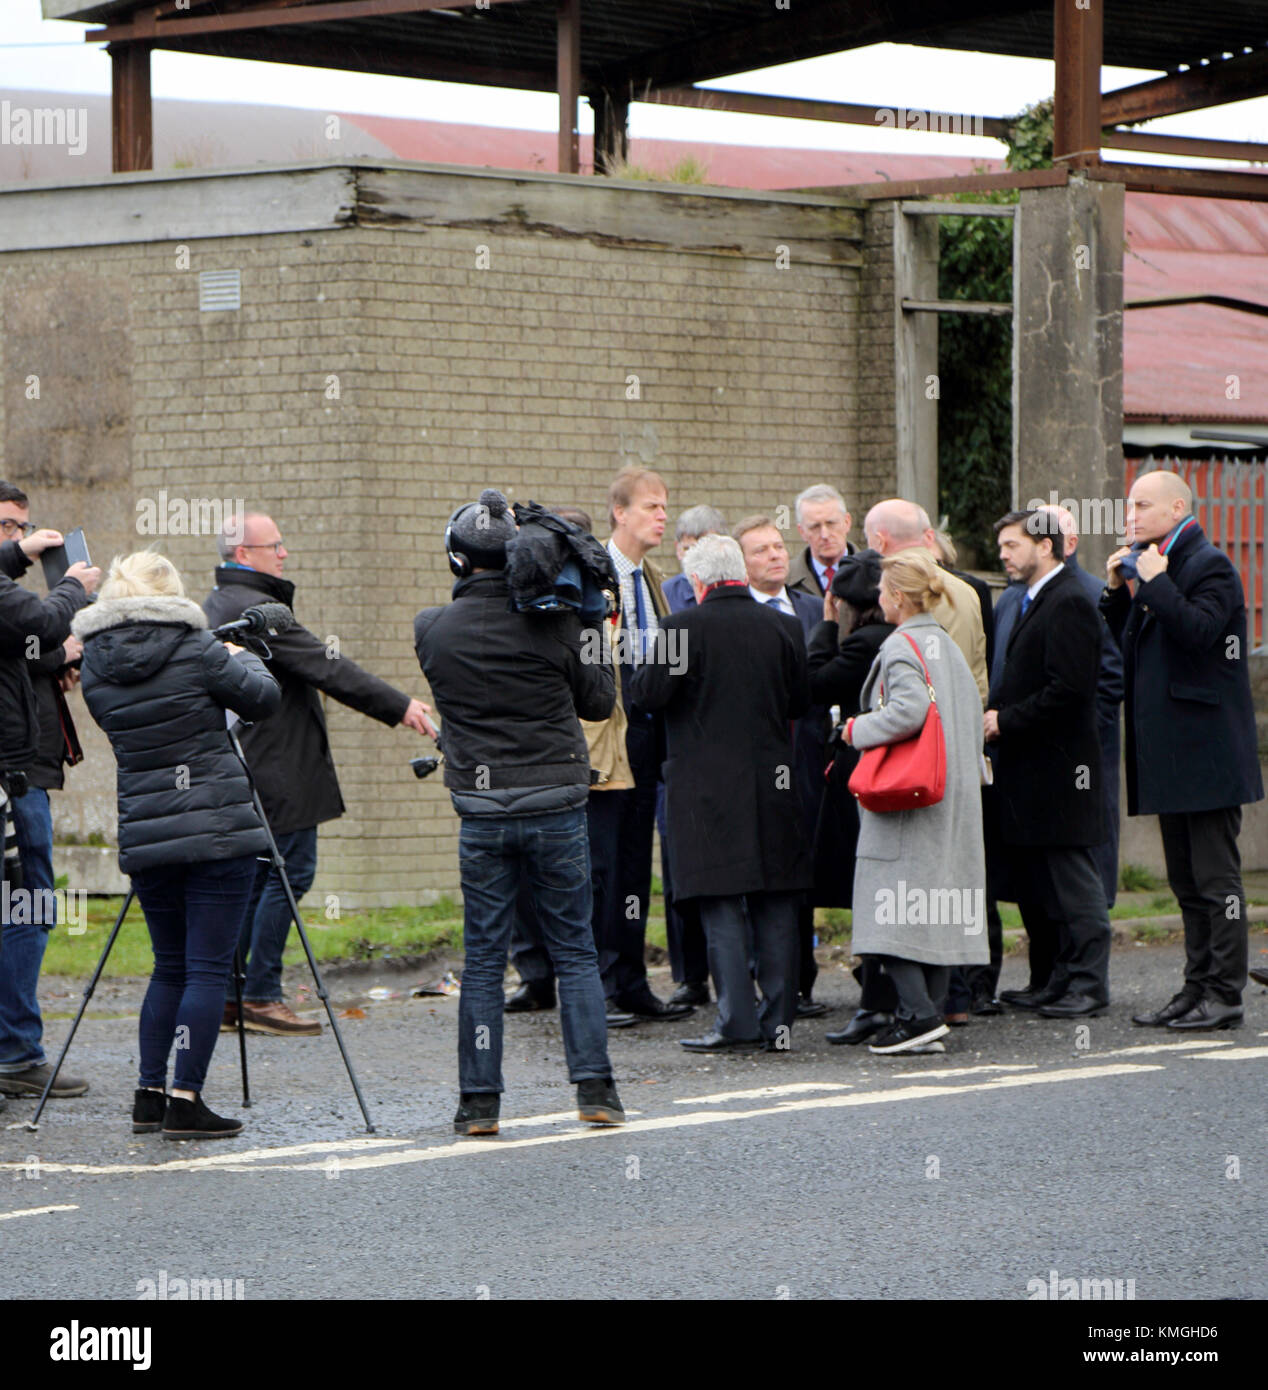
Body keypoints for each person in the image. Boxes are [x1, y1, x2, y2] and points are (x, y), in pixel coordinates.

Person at [415, 489, 623, 1134]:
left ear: (457, 561)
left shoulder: (431, 628)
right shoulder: (561, 623)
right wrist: (592, 626)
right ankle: (596, 1093)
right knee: (575, 952)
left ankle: (479, 1103)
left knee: (482, 959)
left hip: (481, 811)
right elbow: (597, 706)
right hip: (558, 803)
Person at [74, 550, 281, 1139]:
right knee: (209, 970)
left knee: (168, 967)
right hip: (217, 828)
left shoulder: (95, 663)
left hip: (147, 829)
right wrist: (248, 660)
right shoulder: (199, 648)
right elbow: (262, 703)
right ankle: (187, 1100)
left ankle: (149, 1094)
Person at [204, 512, 435, 1037]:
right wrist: (400, 706)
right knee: (290, 873)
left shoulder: (219, 602)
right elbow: (328, 667)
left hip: (248, 765)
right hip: (278, 769)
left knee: (258, 878)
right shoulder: (258, 610)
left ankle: (229, 994)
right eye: (275, 546)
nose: (283, 554)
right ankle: (259, 993)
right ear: (244, 554)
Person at [630, 535, 811, 1053]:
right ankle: (779, 1021)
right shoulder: (785, 626)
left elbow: (647, 694)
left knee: (722, 902)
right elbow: (799, 702)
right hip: (774, 784)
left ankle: (736, 1021)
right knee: (776, 899)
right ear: (740, 573)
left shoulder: (679, 628)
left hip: (706, 791)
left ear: (697, 582)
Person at [1103, 470, 1263, 1031]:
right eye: (1129, 505)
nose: (1131, 515)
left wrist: (1153, 583)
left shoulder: (1209, 564)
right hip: (1172, 755)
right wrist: (1121, 594)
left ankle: (1226, 994)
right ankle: (1195, 988)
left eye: (1142, 505)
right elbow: (1135, 649)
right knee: (1186, 881)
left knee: (1217, 881)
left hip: (1208, 754)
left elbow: (1198, 633)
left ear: (1177, 508)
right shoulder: (1151, 566)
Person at [843, 549, 988, 1055]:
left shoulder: (902, 645)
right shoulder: (944, 644)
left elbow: (907, 712)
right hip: (953, 797)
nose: (878, 598)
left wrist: (855, 728)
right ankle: (922, 1016)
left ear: (898, 598)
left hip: (909, 801)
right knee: (937, 909)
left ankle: (919, 1017)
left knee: (888, 909)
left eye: (883, 591)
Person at [993, 504, 1124, 1008]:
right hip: (1033, 769)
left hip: (1064, 769)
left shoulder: (1069, 599)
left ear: (1045, 546)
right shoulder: (1029, 597)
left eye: (1012, 545)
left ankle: (1090, 985)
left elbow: (1071, 691)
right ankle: (1055, 982)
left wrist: (1005, 719)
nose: (1003, 555)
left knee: (1074, 880)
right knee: (1045, 882)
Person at [0, 487, 99, 1111]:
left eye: (22, 524)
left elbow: (19, 645)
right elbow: (33, 622)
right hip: (16, 777)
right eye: (5, 527)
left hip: (26, 769)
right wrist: (76, 588)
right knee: (27, 905)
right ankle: (15, 1053)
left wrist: (52, 660)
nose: (20, 537)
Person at [589, 466, 692, 1023]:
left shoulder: (653, 579)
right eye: (651, 507)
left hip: (649, 733)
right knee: (602, 864)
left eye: (664, 508)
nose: (661, 517)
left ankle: (631, 981)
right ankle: (602, 984)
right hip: (608, 737)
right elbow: (588, 662)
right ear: (619, 512)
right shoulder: (596, 576)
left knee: (635, 863)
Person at [733, 514, 830, 1017]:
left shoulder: (814, 607)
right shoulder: (736, 614)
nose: (775, 555)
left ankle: (801, 980)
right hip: (758, 762)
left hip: (810, 755)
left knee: (803, 866)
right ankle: (762, 978)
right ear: (740, 564)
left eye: (778, 546)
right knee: (761, 872)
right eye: (760, 550)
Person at [805, 550, 899, 1046]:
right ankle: (883, 993)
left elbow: (814, 683)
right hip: (883, 777)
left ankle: (878, 1001)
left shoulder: (864, 642)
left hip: (867, 779)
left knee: (868, 886)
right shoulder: (895, 635)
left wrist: (822, 629)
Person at [863, 499, 988, 704]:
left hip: (919, 725)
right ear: (928, 536)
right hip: (964, 720)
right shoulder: (965, 590)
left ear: (879, 541)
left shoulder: (893, 592)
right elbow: (977, 672)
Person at [787, 484, 855, 599]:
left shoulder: (876, 575)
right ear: (802, 531)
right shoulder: (785, 580)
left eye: (831, 523)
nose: (825, 535)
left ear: (847, 522)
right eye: (815, 527)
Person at [662, 505, 727, 613]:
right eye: (687, 549)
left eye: (705, 548)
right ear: (678, 550)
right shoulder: (665, 594)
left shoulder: (738, 589)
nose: (695, 557)